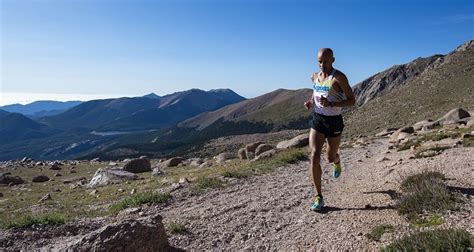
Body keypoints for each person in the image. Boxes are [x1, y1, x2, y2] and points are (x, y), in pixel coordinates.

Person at [304, 48, 355, 211]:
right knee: (314, 156)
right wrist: (311, 102)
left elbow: (352, 100)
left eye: (325, 61)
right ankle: (319, 196)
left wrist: (332, 104)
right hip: (318, 119)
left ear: (333, 60)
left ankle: (337, 161)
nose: (322, 65)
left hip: (334, 121)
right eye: (319, 61)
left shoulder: (338, 77)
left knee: (329, 157)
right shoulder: (315, 76)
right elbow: (315, 92)